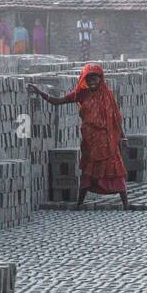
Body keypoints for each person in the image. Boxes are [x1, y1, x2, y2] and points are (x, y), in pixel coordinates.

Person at [28, 64, 129, 210]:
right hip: (91, 141)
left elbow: (116, 119)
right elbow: (58, 101)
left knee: (115, 171)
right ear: (84, 81)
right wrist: (39, 92)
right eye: (89, 80)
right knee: (88, 173)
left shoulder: (108, 95)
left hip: (108, 140)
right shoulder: (81, 94)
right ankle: (79, 203)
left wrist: (123, 137)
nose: (92, 83)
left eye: (95, 79)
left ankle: (126, 204)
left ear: (101, 79)